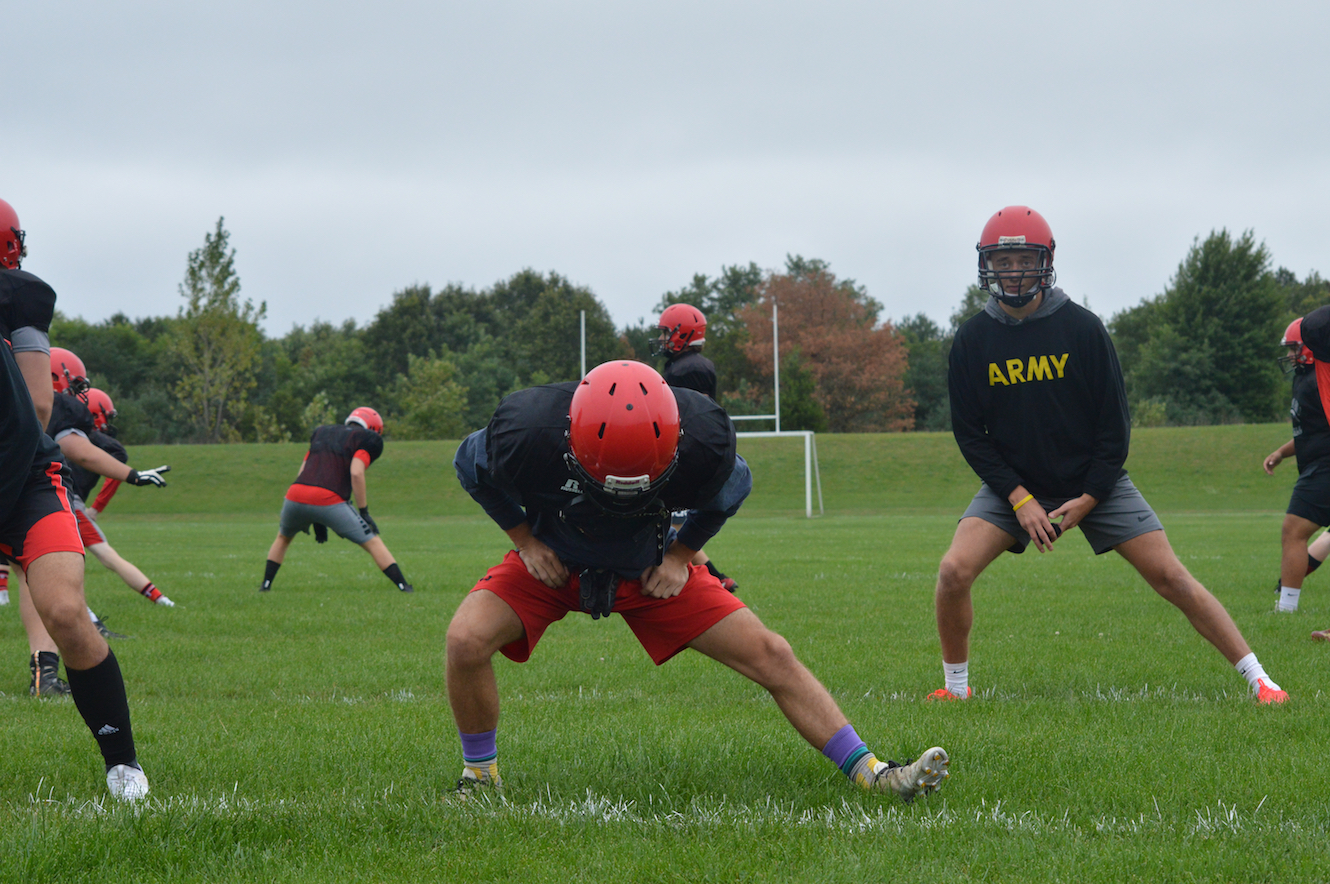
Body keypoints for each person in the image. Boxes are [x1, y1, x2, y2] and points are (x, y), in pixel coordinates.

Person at [447, 360, 950, 800]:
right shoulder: (528, 431)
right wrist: (525, 540)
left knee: (772, 653)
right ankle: (480, 777)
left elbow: (734, 488)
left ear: (674, 439)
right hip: (554, 559)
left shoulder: (702, 442)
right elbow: (470, 468)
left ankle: (872, 773)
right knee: (465, 640)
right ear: (570, 438)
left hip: (648, 568)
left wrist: (681, 554)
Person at [932, 205, 1287, 704]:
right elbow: (970, 434)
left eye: (1023, 258)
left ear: (1046, 261)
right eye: (1003, 259)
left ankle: (1260, 680)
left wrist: (1091, 496)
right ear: (987, 265)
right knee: (953, 571)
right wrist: (1017, 497)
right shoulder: (972, 339)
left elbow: (1114, 430)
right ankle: (955, 691)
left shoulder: (1082, 329)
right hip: (1013, 486)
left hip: (1094, 479)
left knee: (1171, 577)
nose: (1013, 270)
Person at [0, 196, 150, 798]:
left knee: (64, 609)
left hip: (25, 479)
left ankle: (122, 762)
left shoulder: (20, 303)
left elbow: (37, 408)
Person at [261, 407, 413, 593]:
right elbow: (356, 472)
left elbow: (303, 470)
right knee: (372, 541)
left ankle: (266, 585)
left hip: (296, 493)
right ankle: (403, 586)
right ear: (373, 428)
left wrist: (315, 517)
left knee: (283, 538)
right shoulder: (368, 439)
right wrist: (364, 511)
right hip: (328, 498)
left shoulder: (322, 432)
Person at [60, 386, 176, 607]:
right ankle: (161, 600)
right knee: (106, 554)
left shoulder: (60, 431)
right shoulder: (88, 440)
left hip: (59, 500)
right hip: (67, 502)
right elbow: (115, 459)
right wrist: (97, 506)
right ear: (93, 414)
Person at [653, 303, 737, 592]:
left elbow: (690, 415)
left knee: (658, 519)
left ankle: (711, 577)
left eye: (666, 333)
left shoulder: (690, 368)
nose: (662, 340)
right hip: (688, 449)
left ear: (683, 333)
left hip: (687, 452)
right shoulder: (685, 365)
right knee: (666, 523)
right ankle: (717, 576)